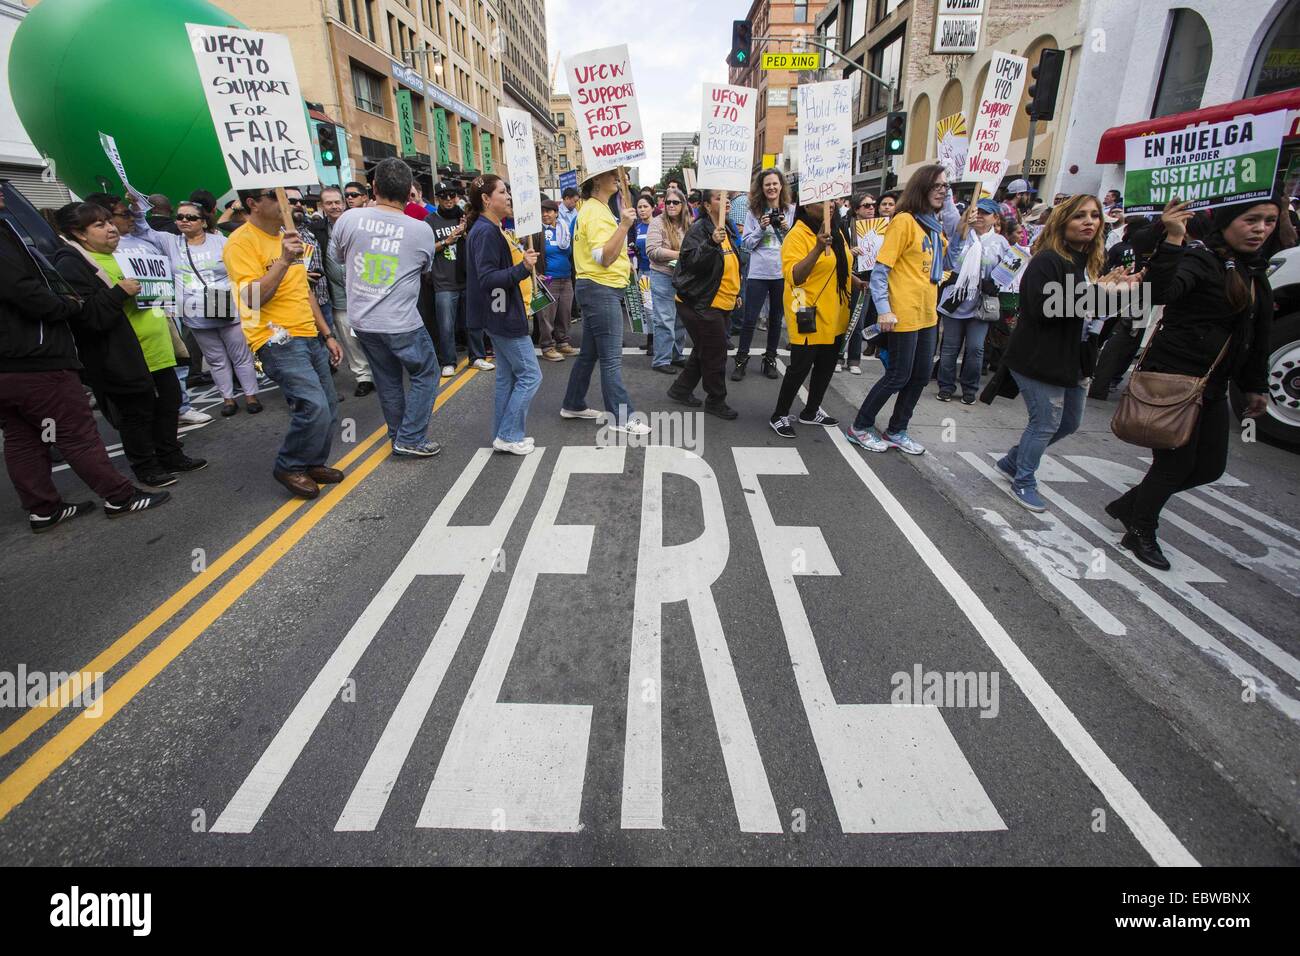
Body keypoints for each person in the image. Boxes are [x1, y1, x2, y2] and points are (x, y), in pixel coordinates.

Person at [1104, 198, 1277, 569]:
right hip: (1175, 381)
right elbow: (1157, 294)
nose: (1260, 229)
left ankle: (1131, 504)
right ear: (1229, 222)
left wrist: (1256, 385)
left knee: (1209, 467)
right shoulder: (1200, 259)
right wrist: (1173, 238)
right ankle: (1140, 528)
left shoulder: (1255, 272)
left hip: (1213, 386)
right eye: (1251, 220)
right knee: (1174, 465)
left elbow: (1256, 337)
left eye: (1269, 221)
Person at [1, 195, 166, 529]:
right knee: (75, 433)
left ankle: (44, 508)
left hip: (10, 366)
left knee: (24, 437)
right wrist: (67, 306)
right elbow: (25, 291)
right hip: (35, 358)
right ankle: (119, 496)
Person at [989, 194, 1137, 511]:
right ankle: (1023, 480)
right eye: (1079, 216)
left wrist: (1129, 291)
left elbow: (1100, 311)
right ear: (1062, 221)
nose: (1088, 221)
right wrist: (1095, 294)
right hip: (1039, 357)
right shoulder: (1048, 260)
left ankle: (1013, 461)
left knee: (1068, 423)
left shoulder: (1094, 262)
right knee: (1044, 423)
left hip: (1077, 357)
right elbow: (1043, 309)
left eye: (1095, 216)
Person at [53, 201, 207, 488]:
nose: (111, 228)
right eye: (100, 225)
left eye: (110, 221)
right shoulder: (72, 264)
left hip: (158, 348)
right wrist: (118, 293)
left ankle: (170, 454)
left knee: (169, 404)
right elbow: (85, 316)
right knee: (136, 414)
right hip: (123, 357)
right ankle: (145, 466)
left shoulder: (125, 254)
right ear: (79, 233)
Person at [224, 187, 344, 499]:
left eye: (288, 198)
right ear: (253, 203)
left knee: (329, 406)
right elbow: (251, 298)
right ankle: (289, 464)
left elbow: (303, 291)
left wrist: (327, 334)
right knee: (312, 405)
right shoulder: (240, 242)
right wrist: (284, 259)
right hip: (275, 337)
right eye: (275, 197)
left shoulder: (288, 236)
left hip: (308, 333)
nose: (286, 204)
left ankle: (311, 462)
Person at [328, 157, 442, 458]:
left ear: (373, 187)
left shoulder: (349, 219)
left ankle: (398, 435)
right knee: (426, 373)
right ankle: (411, 437)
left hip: (363, 321)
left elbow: (337, 258)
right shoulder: (420, 230)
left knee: (388, 380)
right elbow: (424, 267)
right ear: (410, 193)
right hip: (401, 322)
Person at [847, 164, 961, 455]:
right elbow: (881, 271)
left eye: (945, 187)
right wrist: (884, 309)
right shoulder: (904, 222)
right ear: (921, 188)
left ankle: (898, 429)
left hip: (927, 314)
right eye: (937, 186)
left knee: (921, 375)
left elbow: (950, 264)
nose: (942, 191)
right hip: (902, 313)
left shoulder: (935, 228)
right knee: (898, 374)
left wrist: (962, 226)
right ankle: (860, 426)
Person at [561, 169, 650, 435]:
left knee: (589, 353)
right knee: (611, 359)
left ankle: (573, 403)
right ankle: (624, 418)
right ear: (596, 180)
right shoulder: (596, 211)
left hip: (598, 288)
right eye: (611, 173)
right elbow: (604, 257)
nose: (617, 176)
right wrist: (623, 226)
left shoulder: (593, 209)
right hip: (602, 289)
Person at [159, 200, 262, 417]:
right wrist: (136, 208)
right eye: (180, 217)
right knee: (215, 359)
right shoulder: (170, 243)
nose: (184, 221)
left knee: (240, 355)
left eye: (191, 217)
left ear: (204, 222)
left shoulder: (221, 242)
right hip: (193, 310)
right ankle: (228, 399)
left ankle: (251, 395)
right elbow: (142, 229)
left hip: (224, 303)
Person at [465, 174, 541, 455]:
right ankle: (509, 434)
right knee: (531, 376)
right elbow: (487, 278)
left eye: (508, 191)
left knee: (507, 378)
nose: (508, 196)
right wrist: (522, 268)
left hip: (499, 313)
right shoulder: (485, 231)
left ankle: (504, 434)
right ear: (486, 199)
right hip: (502, 314)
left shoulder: (491, 228)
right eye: (502, 192)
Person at [768, 200, 854, 437]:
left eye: (833, 200)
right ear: (806, 206)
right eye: (823, 201)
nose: (832, 204)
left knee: (826, 365)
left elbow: (839, 264)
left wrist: (856, 282)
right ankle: (780, 414)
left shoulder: (835, 229)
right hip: (807, 311)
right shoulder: (797, 235)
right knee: (800, 367)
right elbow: (795, 276)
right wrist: (817, 248)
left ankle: (811, 411)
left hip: (835, 311)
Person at [667, 189, 740, 419]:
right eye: (719, 197)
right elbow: (690, 263)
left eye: (727, 197)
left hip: (721, 301)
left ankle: (680, 390)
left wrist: (735, 291)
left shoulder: (726, 226)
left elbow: (730, 263)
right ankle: (716, 401)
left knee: (704, 349)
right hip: (700, 303)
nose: (726, 201)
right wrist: (710, 243)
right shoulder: (700, 230)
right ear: (707, 206)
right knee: (715, 353)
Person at [935, 197, 1009, 404]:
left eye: (985, 213)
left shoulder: (1000, 243)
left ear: (995, 217)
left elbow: (1010, 269)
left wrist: (994, 283)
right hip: (955, 300)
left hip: (980, 305)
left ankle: (969, 388)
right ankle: (946, 386)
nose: (980, 216)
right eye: (977, 212)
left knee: (976, 348)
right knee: (949, 347)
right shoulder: (962, 235)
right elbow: (949, 259)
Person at [309, 185, 374, 394]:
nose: (334, 206)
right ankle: (363, 376)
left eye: (338, 201)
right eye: (329, 203)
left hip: (365, 291)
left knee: (371, 336)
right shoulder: (316, 230)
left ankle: (381, 371)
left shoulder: (360, 223)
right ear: (322, 206)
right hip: (337, 294)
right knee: (348, 337)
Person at [426, 181, 492, 375]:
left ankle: (477, 357)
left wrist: (466, 233)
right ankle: (448, 361)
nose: (448, 199)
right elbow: (426, 249)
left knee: (474, 321)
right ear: (437, 198)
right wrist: (446, 241)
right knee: (446, 326)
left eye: (452, 195)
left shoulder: (466, 217)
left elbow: (479, 240)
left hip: (468, 278)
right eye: (443, 195)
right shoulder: (430, 221)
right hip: (444, 281)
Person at [737, 169, 796, 381]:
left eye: (775, 183)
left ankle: (770, 359)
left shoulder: (791, 211)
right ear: (761, 188)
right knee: (750, 319)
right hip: (758, 272)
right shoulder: (753, 212)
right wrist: (761, 228)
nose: (771, 188)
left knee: (775, 319)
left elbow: (797, 245)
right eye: (767, 184)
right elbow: (746, 244)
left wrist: (786, 229)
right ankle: (741, 359)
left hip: (781, 273)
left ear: (781, 186)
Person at [645, 185, 689, 373]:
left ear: (683, 205)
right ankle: (661, 360)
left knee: (680, 319)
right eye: (668, 202)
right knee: (664, 319)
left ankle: (676, 355)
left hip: (684, 278)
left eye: (675, 202)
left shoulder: (688, 223)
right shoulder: (657, 222)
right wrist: (680, 254)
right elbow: (652, 251)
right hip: (662, 276)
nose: (671, 205)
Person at [841, 191, 881, 374]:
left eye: (873, 204)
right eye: (867, 205)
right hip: (845, 275)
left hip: (866, 277)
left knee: (858, 319)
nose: (872, 208)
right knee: (841, 318)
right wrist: (850, 251)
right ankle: (838, 356)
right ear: (856, 209)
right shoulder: (844, 226)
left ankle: (854, 359)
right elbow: (836, 251)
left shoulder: (881, 227)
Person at [538, 199, 577, 361]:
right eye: (543, 211)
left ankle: (562, 342)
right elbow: (525, 252)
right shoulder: (536, 232)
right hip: (547, 280)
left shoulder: (565, 229)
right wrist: (535, 274)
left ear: (556, 213)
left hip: (566, 278)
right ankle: (547, 346)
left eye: (549, 211)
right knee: (546, 316)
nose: (545, 214)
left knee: (564, 314)